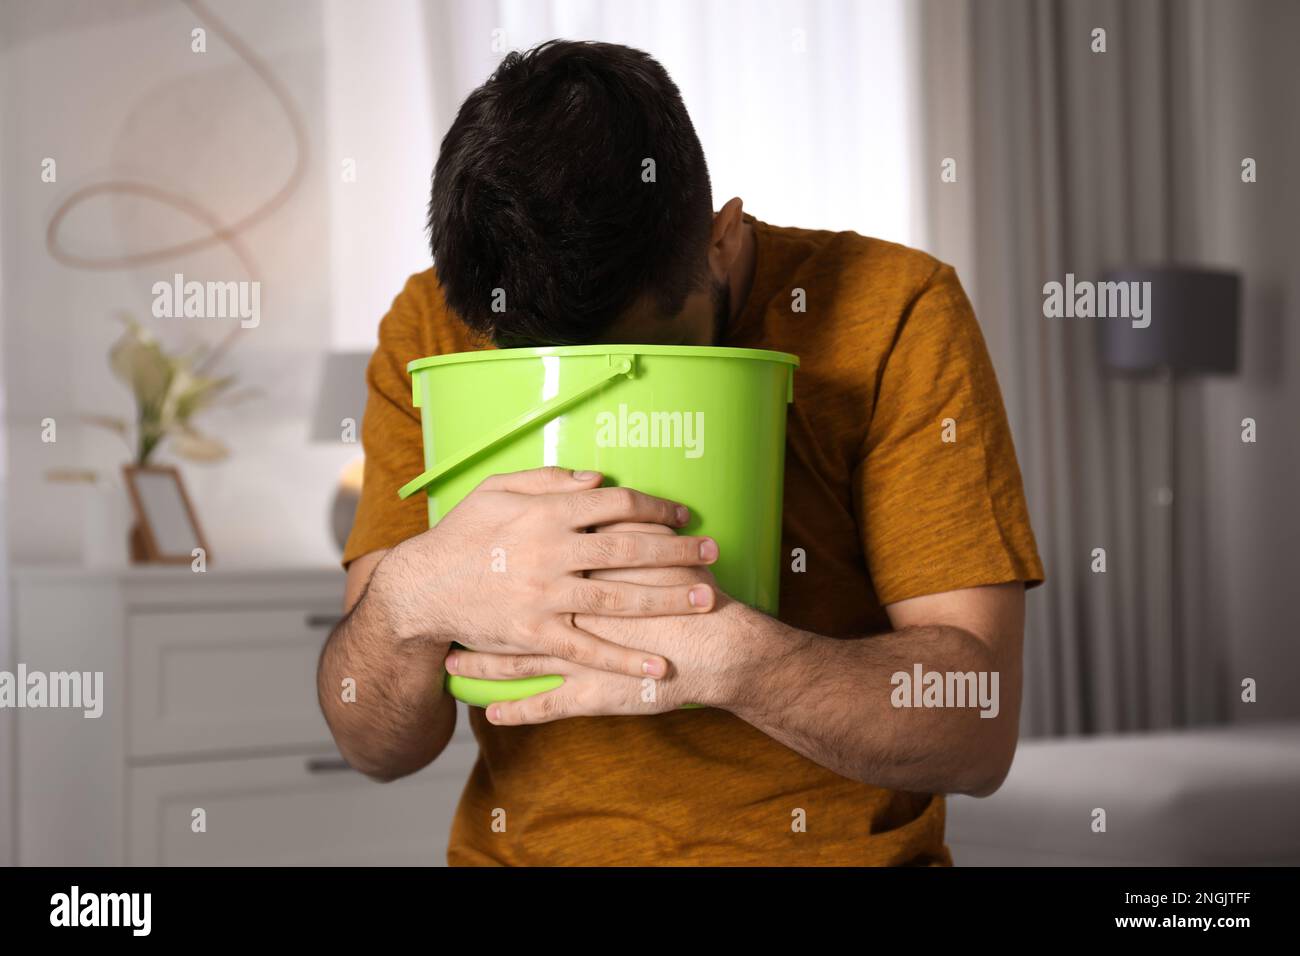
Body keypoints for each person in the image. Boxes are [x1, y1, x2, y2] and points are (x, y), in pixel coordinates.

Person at [317, 39, 1044, 866]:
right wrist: (408, 598)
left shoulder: (896, 309)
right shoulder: (429, 331)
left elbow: (978, 729)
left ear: (720, 239)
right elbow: (376, 746)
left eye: (651, 361)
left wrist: (736, 663)